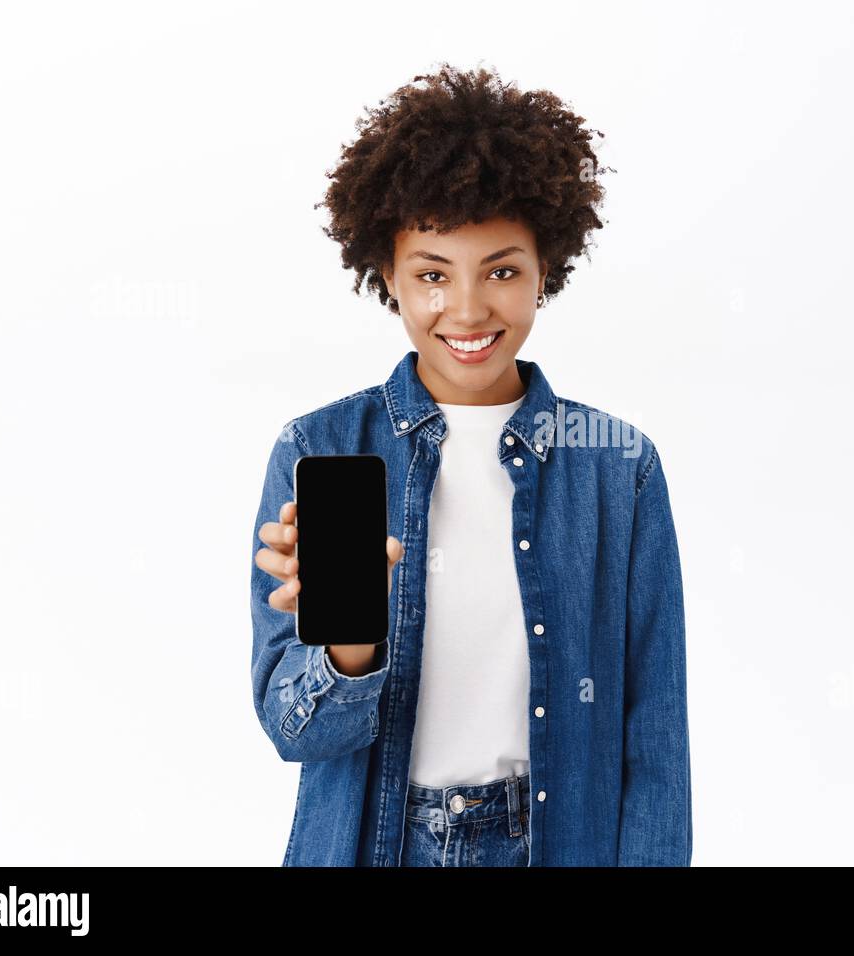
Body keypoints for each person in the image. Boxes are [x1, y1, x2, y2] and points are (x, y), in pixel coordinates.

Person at [250, 63, 691, 866]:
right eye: (430, 275)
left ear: (544, 271)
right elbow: (294, 732)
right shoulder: (318, 450)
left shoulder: (618, 469)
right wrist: (351, 640)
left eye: (501, 271)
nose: (466, 310)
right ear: (386, 276)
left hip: (553, 845)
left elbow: (653, 737)